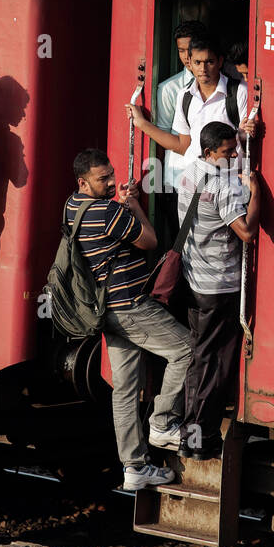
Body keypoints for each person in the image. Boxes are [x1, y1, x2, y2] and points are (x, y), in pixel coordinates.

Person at [66, 148, 193, 490]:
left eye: (110, 174)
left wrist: (120, 206)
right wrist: (134, 206)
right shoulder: (108, 212)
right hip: (131, 306)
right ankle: (163, 423)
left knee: (123, 390)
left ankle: (134, 467)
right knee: (186, 349)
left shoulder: (72, 207)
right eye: (102, 178)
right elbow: (150, 241)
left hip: (105, 310)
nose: (110, 182)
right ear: (83, 181)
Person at [176, 122, 261, 461]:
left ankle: (190, 435)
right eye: (229, 153)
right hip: (219, 287)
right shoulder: (223, 187)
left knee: (202, 360)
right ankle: (199, 440)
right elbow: (247, 232)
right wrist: (256, 194)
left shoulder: (190, 171)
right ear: (211, 153)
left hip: (195, 279)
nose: (235, 156)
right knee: (214, 366)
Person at [127, 38, 256, 183]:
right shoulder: (184, 95)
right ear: (189, 63)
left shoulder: (239, 92)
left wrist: (245, 134)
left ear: (220, 62)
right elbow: (183, 145)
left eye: (209, 62)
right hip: (192, 184)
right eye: (197, 62)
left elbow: (248, 141)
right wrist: (142, 124)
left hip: (228, 183)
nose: (203, 69)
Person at [151, 21, 208, 243]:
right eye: (181, 50)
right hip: (176, 180)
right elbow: (164, 138)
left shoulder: (223, 85)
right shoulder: (169, 90)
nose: (186, 56)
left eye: (190, 48)